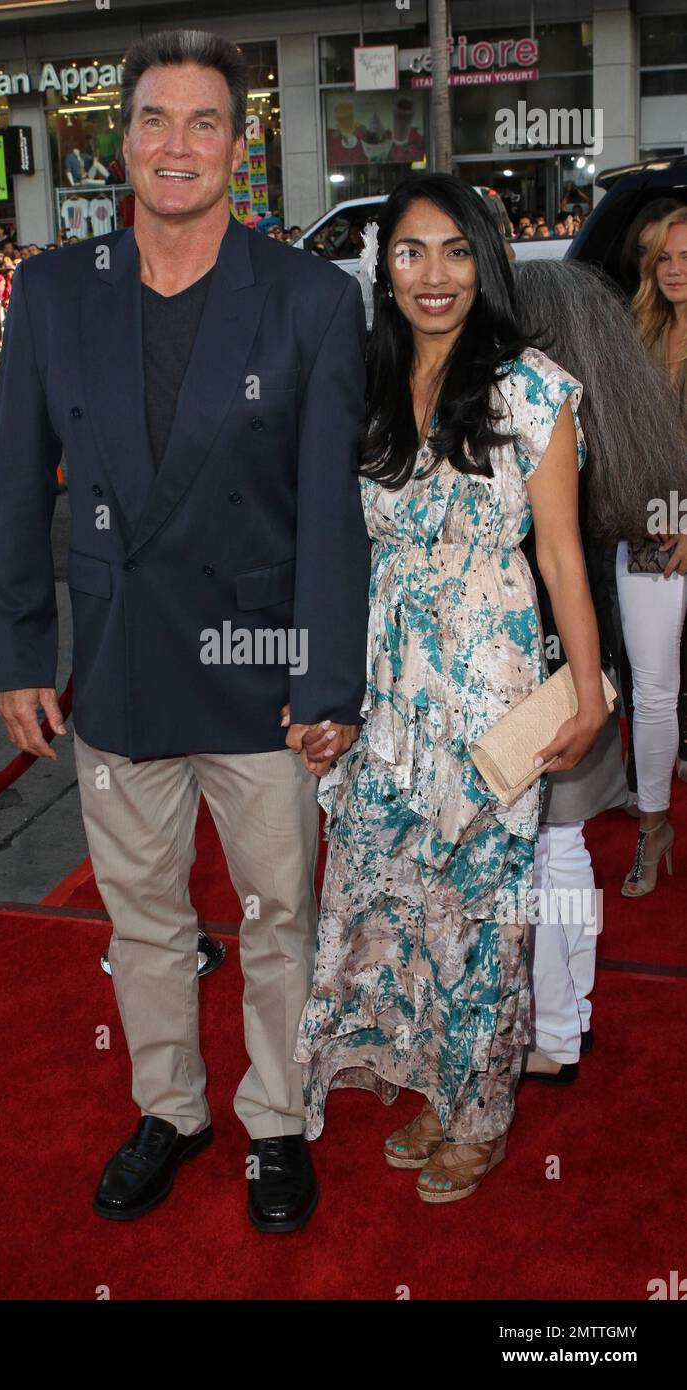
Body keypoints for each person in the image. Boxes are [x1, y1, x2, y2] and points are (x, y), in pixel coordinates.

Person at [0, 28, 370, 1232]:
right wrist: (15, 654)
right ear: (121, 140)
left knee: (276, 921)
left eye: (205, 123)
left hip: (260, 680)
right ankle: (171, 1108)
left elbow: (329, 516)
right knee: (142, 920)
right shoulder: (51, 293)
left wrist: (326, 680)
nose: (178, 145)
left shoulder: (309, 299)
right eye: (156, 119)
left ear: (239, 148)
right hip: (115, 675)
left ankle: (273, 1121)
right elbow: (11, 491)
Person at [293, 173, 610, 1203]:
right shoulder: (364, 385)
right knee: (399, 901)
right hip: (386, 693)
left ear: (486, 260)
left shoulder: (531, 387)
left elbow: (561, 556)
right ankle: (439, 1082)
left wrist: (587, 687)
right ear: (381, 269)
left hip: (489, 687)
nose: (433, 276)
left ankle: (479, 1114)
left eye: (455, 252)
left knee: (481, 914)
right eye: (409, 253)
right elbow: (332, 544)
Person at [512, 261, 685, 1077]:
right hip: (590, 655)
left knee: (547, 850)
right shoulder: (609, 417)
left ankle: (554, 1028)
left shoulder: (532, 414)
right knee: (567, 844)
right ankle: (567, 1017)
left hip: (538, 658)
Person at [617, 207, 687, 894]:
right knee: (653, 692)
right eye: (663, 258)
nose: (672, 270)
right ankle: (654, 825)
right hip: (648, 534)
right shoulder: (636, 337)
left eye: (686, 256)